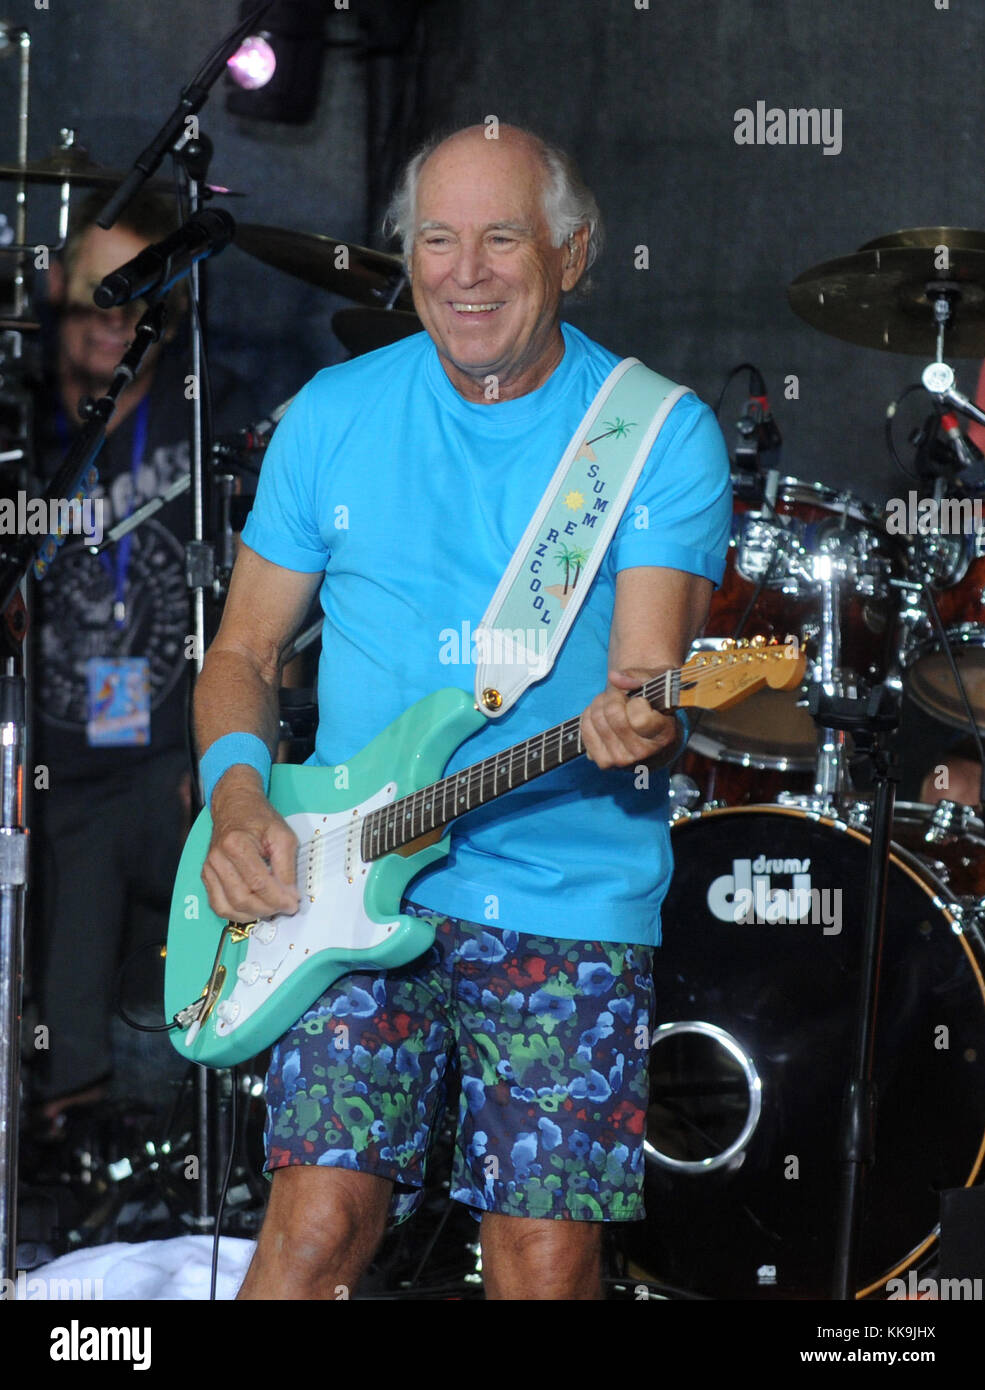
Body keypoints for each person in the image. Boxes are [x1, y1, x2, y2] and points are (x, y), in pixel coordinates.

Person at [194, 124, 732, 1300]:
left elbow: (649, 686)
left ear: (573, 254)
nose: (465, 270)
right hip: (346, 877)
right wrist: (238, 801)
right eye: (437, 239)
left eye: (502, 238)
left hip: (564, 888)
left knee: (540, 1259)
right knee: (312, 1229)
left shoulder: (654, 434)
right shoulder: (331, 416)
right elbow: (239, 649)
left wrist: (639, 716)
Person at [29, 189, 253, 1128]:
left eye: (131, 304)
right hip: (60, 775)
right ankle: (77, 1176)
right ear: (52, 294)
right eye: (93, 300)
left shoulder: (214, 422)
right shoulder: (22, 434)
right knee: (67, 1036)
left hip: (178, 769)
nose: (109, 325)